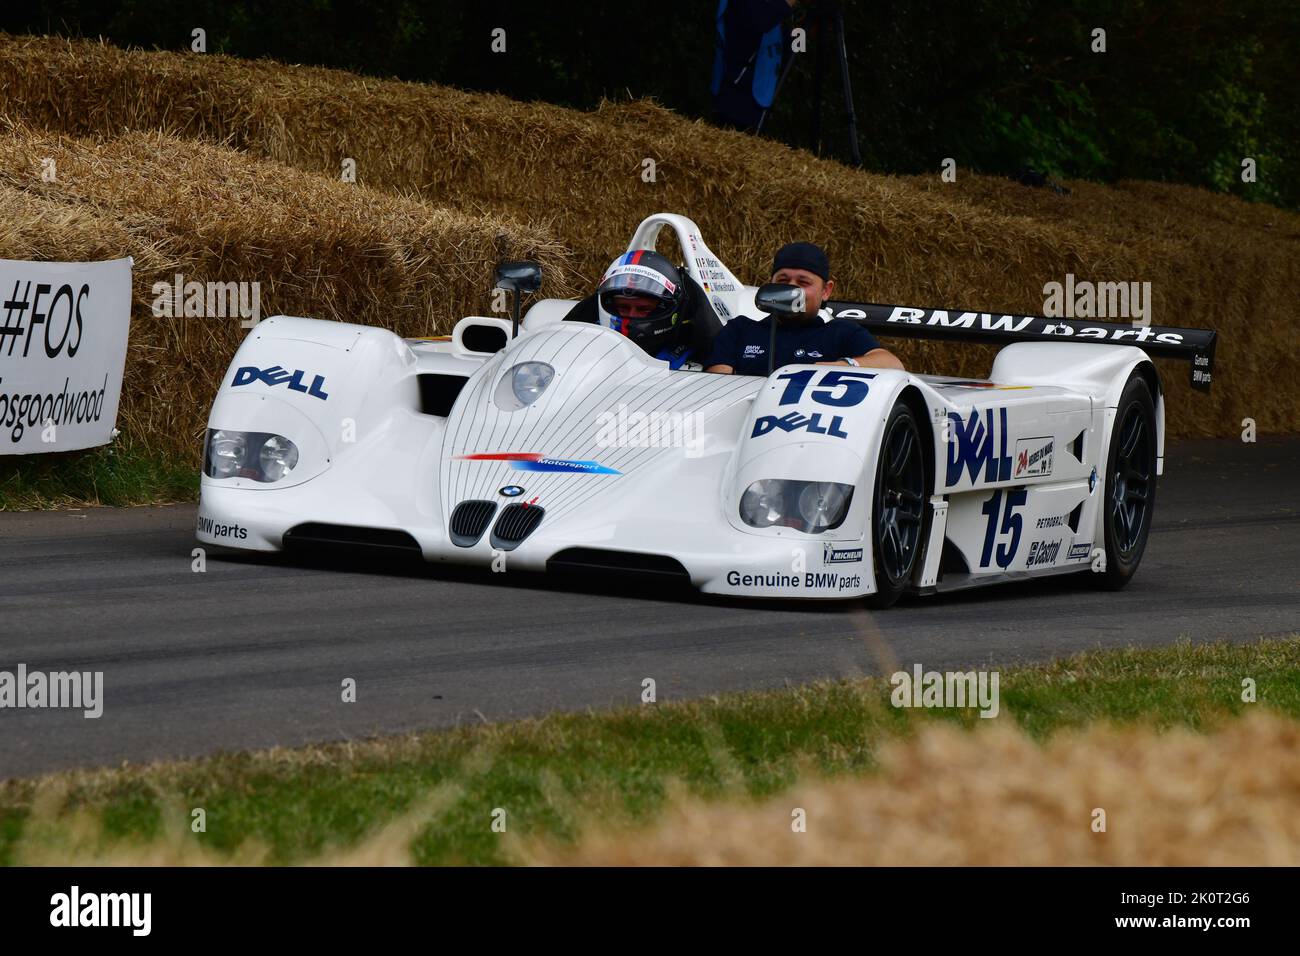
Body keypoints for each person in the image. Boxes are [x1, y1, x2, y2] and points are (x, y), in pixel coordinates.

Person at [706, 242, 904, 375]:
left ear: (826, 291)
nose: (792, 288)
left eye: (803, 282)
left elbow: (893, 364)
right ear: (770, 284)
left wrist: (840, 367)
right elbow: (718, 387)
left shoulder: (841, 333)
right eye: (783, 280)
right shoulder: (740, 330)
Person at [565, 250, 708, 369]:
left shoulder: (695, 357)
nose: (632, 315)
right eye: (623, 307)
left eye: (643, 309)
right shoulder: (584, 339)